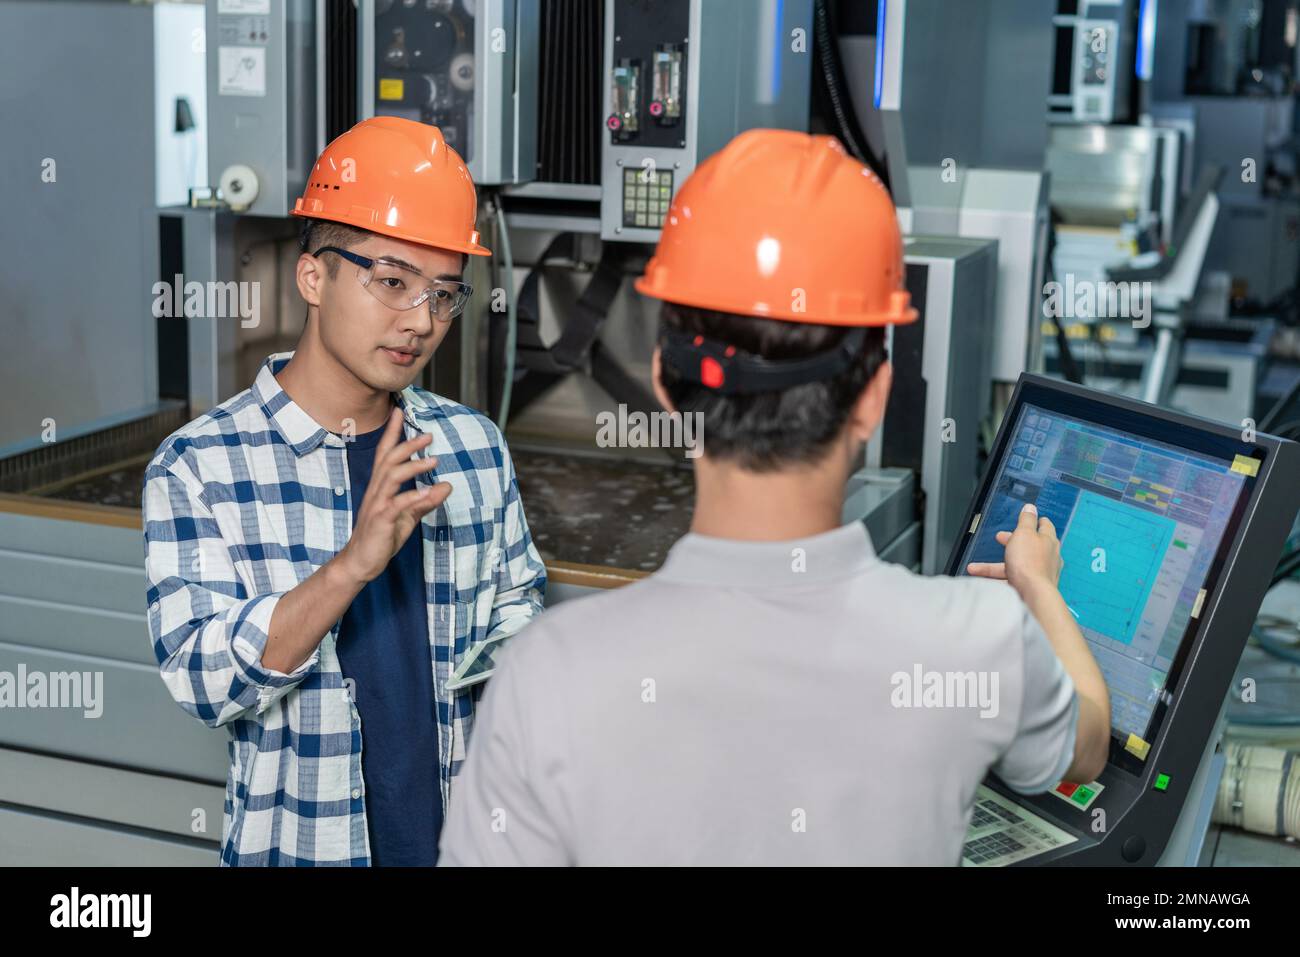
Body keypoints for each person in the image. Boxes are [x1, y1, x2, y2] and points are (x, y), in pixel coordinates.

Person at [438, 128, 1110, 866]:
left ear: (666, 383)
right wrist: (1040, 588)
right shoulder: (975, 645)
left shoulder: (548, 676)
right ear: (874, 398)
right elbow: (1088, 743)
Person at [143, 117, 546, 866]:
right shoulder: (202, 467)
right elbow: (203, 679)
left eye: (445, 295)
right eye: (391, 281)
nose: (421, 321)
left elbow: (518, 612)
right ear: (313, 277)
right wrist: (352, 565)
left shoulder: (472, 447)